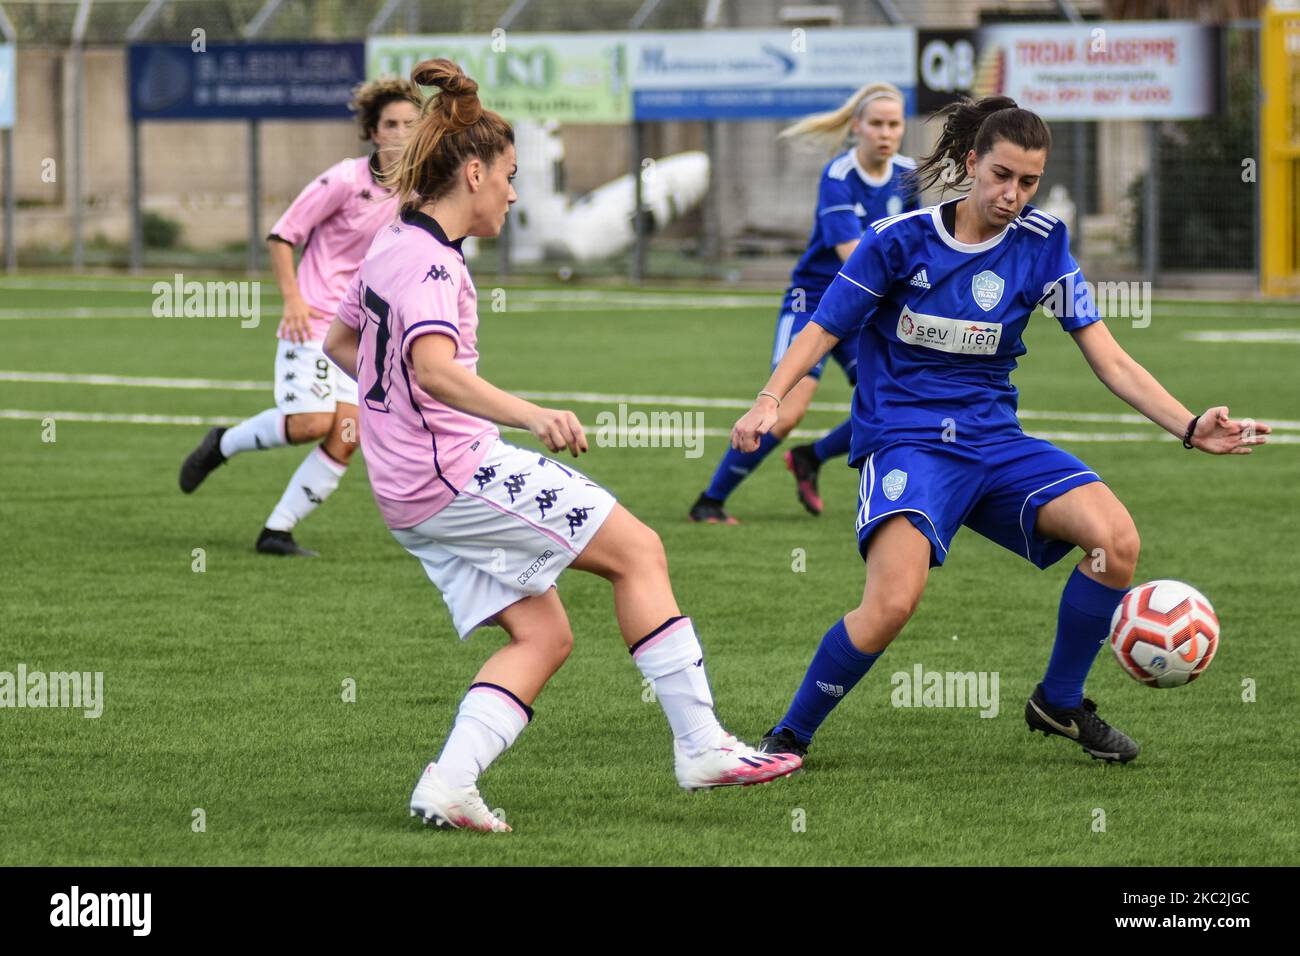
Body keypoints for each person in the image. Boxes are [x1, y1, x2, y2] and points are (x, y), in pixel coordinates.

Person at [323, 59, 801, 832]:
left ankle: (449, 784)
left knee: (544, 634)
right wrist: (531, 413)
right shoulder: (434, 263)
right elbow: (433, 369)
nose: (514, 193)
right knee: (639, 551)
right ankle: (702, 746)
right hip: (453, 473)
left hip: (408, 490)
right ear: (473, 173)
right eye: (509, 175)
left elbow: (345, 340)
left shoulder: (392, 241)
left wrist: (396, 403)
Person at [729, 96, 1269, 764]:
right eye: (1003, 176)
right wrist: (768, 400)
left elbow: (1110, 358)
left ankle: (1058, 702)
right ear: (970, 163)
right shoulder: (898, 243)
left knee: (1116, 543)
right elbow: (824, 326)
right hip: (909, 442)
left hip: (994, 442)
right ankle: (789, 736)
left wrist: (1191, 426)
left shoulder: (1043, 247)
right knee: (893, 602)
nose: (1014, 194)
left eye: (1029, 181)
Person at [178, 77, 420, 557]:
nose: (400, 134)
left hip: (363, 331)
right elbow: (283, 234)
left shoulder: (421, 191)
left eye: (410, 125)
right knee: (310, 422)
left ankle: (277, 532)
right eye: (390, 124)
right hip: (313, 321)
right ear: (372, 131)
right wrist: (292, 300)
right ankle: (222, 444)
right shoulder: (345, 180)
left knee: (347, 434)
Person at [690, 83, 919, 524]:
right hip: (813, 302)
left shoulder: (907, 175)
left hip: (865, 307)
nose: (885, 133)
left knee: (891, 404)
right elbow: (852, 255)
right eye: (876, 124)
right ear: (857, 127)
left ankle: (812, 458)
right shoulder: (838, 177)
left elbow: (913, 239)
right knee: (786, 412)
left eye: (894, 124)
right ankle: (709, 501)